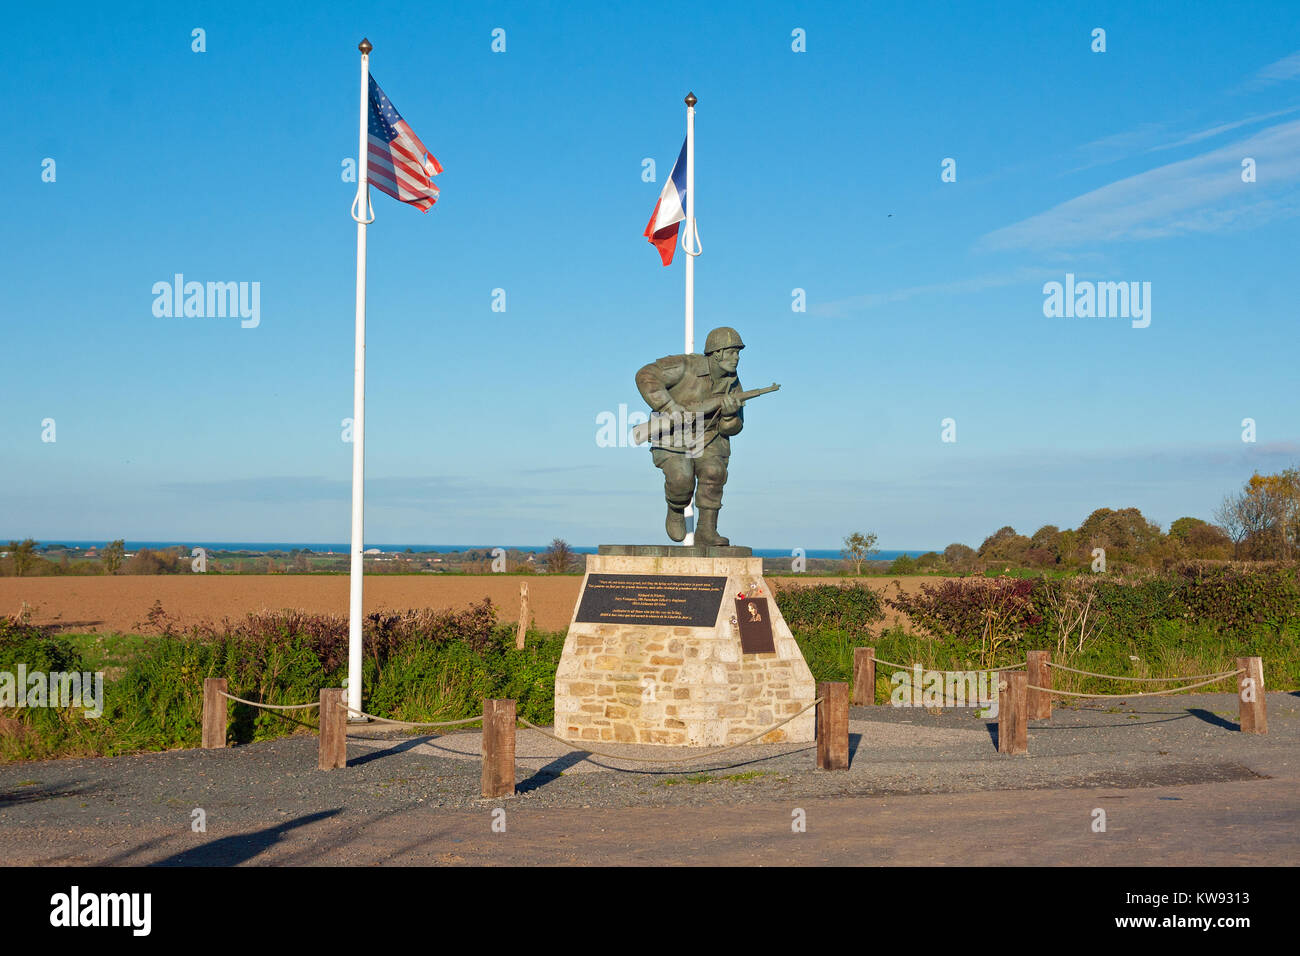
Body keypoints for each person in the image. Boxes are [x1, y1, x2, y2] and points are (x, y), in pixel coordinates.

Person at [634, 326, 747, 546]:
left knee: (714, 471)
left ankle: (707, 531)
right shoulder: (685, 366)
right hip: (672, 437)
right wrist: (669, 406)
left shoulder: (733, 382)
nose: (736, 358)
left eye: (738, 353)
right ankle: (676, 507)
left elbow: (734, 427)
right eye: (732, 352)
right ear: (717, 353)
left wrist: (729, 416)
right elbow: (645, 375)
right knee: (681, 479)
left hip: (710, 438)